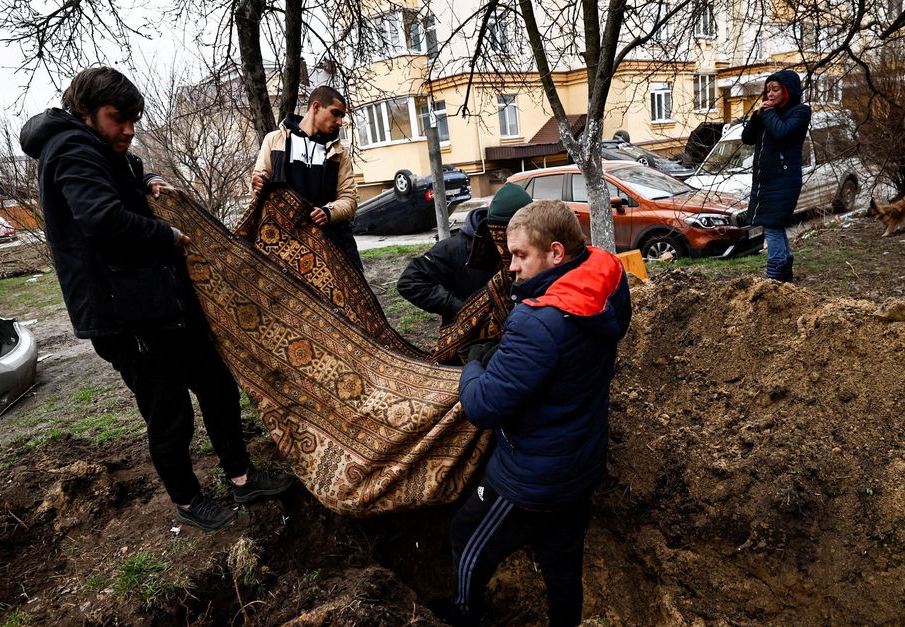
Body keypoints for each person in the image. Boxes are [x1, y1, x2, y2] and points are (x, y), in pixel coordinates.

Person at [19, 67, 294, 532]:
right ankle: (187, 500)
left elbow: (131, 178)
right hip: (122, 315)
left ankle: (242, 477)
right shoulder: (70, 147)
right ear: (86, 112)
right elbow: (102, 218)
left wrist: (152, 180)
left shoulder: (100, 146)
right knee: (169, 410)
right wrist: (166, 234)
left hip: (156, 302)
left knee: (216, 383)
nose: (129, 129)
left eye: (134, 119)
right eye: (118, 118)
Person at [431, 199, 632, 627]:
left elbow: (483, 405)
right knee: (562, 562)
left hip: (531, 481)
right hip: (581, 461)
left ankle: (466, 612)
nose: (511, 269)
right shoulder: (608, 279)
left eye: (520, 255)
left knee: (467, 534)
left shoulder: (537, 323)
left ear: (556, 252)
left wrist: (474, 363)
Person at [251, 86, 361, 270]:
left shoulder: (339, 153)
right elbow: (259, 184)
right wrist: (257, 184)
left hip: (332, 244)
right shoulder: (274, 140)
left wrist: (328, 212)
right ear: (316, 106)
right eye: (336, 113)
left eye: (342, 116)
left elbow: (349, 198)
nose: (340, 122)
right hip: (286, 245)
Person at [395, 183, 532, 326]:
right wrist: (460, 308)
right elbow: (410, 282)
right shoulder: (453, 248)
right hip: (469, 340)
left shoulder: (538, 248)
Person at [741, 70, 811, 282]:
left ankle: (774, 276)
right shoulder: (767, 114)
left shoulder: (800, 111)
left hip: (784, 180)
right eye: (767, 90)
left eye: (775, 89)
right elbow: (747, 138)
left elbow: (782, 132)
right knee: (775, 226)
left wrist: (768, 114)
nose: (769, 94)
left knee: (771, 226)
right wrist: (757, 116)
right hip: (766, 181)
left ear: (787, 91)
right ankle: (785, 277)